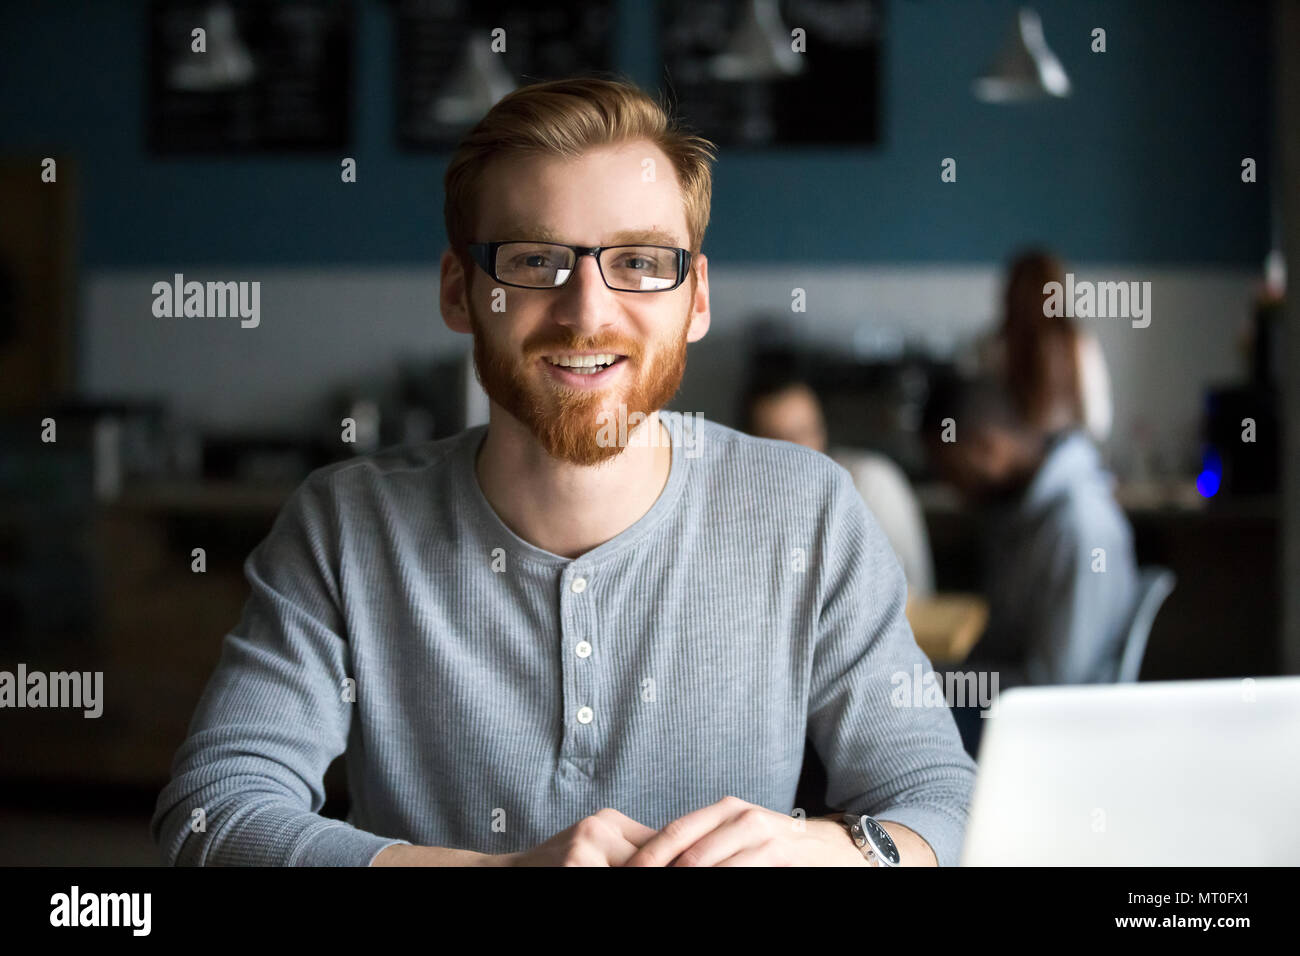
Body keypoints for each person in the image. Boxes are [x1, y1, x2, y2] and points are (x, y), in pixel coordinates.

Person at [152, 76, 975, 867]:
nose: (587, 311)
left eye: (643, 263)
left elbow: (946, 802)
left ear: (695, 301)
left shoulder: (808, 511)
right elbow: (212, 813)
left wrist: (833, 851)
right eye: (534, 261)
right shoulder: (344, 525)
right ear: (459, 291)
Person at [922, 375, 1138, 691]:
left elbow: (1056, 685)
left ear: (988, 447)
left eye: (950, 470)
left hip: (1047, 721)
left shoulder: (1078, 526)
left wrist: (935, 686)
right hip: (1006, 702)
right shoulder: (1017, 513)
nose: (951, 488)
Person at [740, 372, 935, 599]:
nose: (797, 450)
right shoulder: (744, 509)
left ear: (822, 431)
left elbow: (911, 593)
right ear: (748, 447)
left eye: (805, 433)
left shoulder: (870, 484)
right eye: (777, 439)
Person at [982, 249, 1113, 444]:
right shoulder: (1076, 344)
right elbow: (1098, 421)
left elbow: (982, 419)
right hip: (1066, 458)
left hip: (1010, 460)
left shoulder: (991, 347)